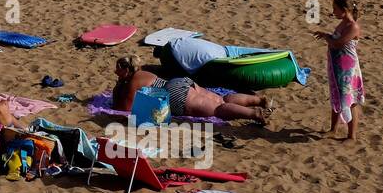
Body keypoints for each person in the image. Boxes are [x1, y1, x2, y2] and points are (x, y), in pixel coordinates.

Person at [111, 56, 271, 122]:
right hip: (180, 83)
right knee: (221, 99)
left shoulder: (132, 81)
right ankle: (259, 100)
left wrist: (119, 86)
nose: (114, 72)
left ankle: (254, 113)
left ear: (125, 70)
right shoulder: (143, 73)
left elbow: (123, 108)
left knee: (218, 109)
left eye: (117, 69)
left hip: (173, 95)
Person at [313, 0, 364, 140]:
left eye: (335, 9)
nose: (333, 12)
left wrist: (326, 38)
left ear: (345, 10)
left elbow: (338, 43)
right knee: (337, 95)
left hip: (347, 67)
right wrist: (326, 34)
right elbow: (335, 39)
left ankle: (351, 136)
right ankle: (333, 129)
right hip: (336, 65)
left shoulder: (352, 26)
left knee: (350, 99)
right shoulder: (342, 23)